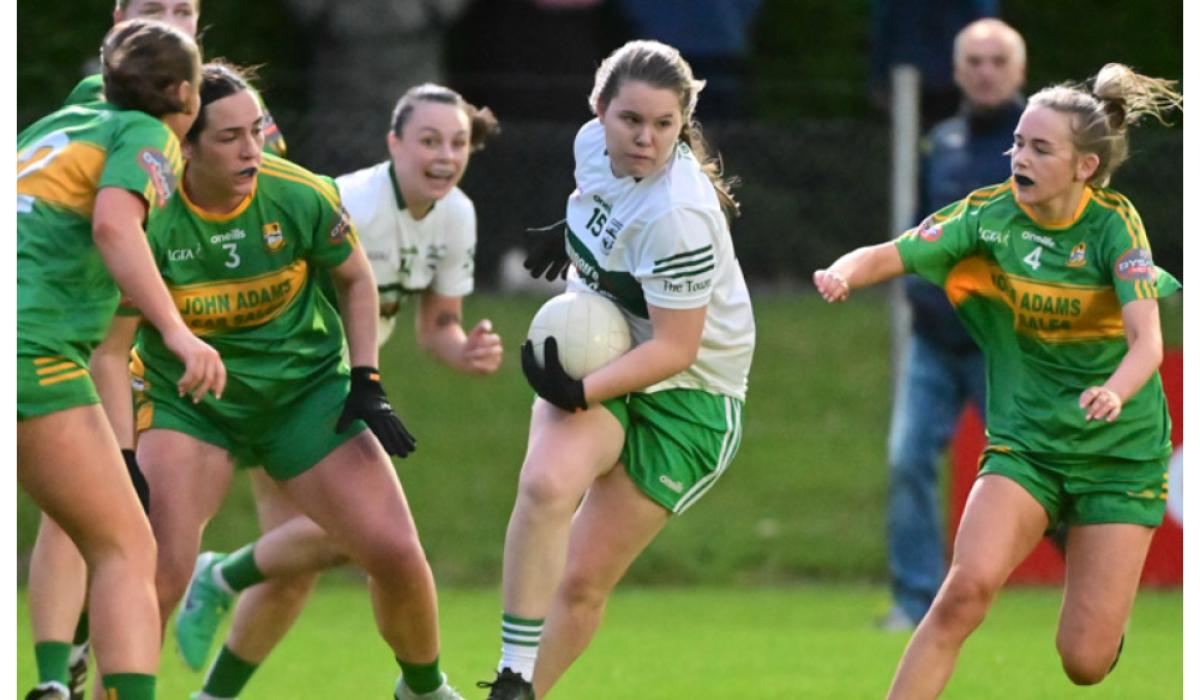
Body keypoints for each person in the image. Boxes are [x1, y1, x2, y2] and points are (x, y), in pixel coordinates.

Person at [813, 63, 1181, 697]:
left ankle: (1103, 625)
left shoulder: (1115, 226)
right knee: (963, 593)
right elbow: (892, 252)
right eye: (1017, 143)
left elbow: (1147, 342)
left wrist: (1113, 391)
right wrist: (842, 272)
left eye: (1040, 148)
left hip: (1118, 453)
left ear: (1084, 166)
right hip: (1027, 442)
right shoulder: (987, 215)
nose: (1020, 158)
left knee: (1084, 661)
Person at [125, 62, 466, 700]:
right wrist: (121, 436)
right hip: (190, 405)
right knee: (161, 575)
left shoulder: (300, 193)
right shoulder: (149, 212)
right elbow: (116, 332)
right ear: (186, 145)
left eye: (256, 131)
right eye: (229, 137)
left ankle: (423, 690)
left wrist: (366, 379)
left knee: (394, 551)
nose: (251, 149)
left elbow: (356, 280)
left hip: (302, 397)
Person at [24, 3, 288, 698]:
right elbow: (116, 227)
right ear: (187, 97)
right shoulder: (148, 133)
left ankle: (54, 679)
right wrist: (176, 330)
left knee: (91, 527)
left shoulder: (57, 125)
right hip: (29, 348)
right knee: (128, 548)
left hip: (37, 344)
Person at [478, 40, 755, 699]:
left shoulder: (679, 214)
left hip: (690, 397)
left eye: (664, 124)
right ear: (598, 108)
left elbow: (675, 350)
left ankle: (521, 694)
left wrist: (576, 390)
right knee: (545, 484)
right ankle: (513, 670)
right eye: (630, 119)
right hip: (606, 345)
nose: (645, 138)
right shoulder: (589, 145)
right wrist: (572, 231)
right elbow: (602, 200)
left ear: (682, 122)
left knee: (581, 580)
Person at [880, 18, 1027, 632]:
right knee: (907, 460)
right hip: (936, 340)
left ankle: (1091, 588)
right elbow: (920, 231)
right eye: (975, 61)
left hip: (1009, 346)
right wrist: (918, 288)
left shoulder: (1041, 144)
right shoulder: (940, 143)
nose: (986, 72)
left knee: (1042, 470)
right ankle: (915, 602)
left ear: (1019, 70)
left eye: (998, 61)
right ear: (958, 70)